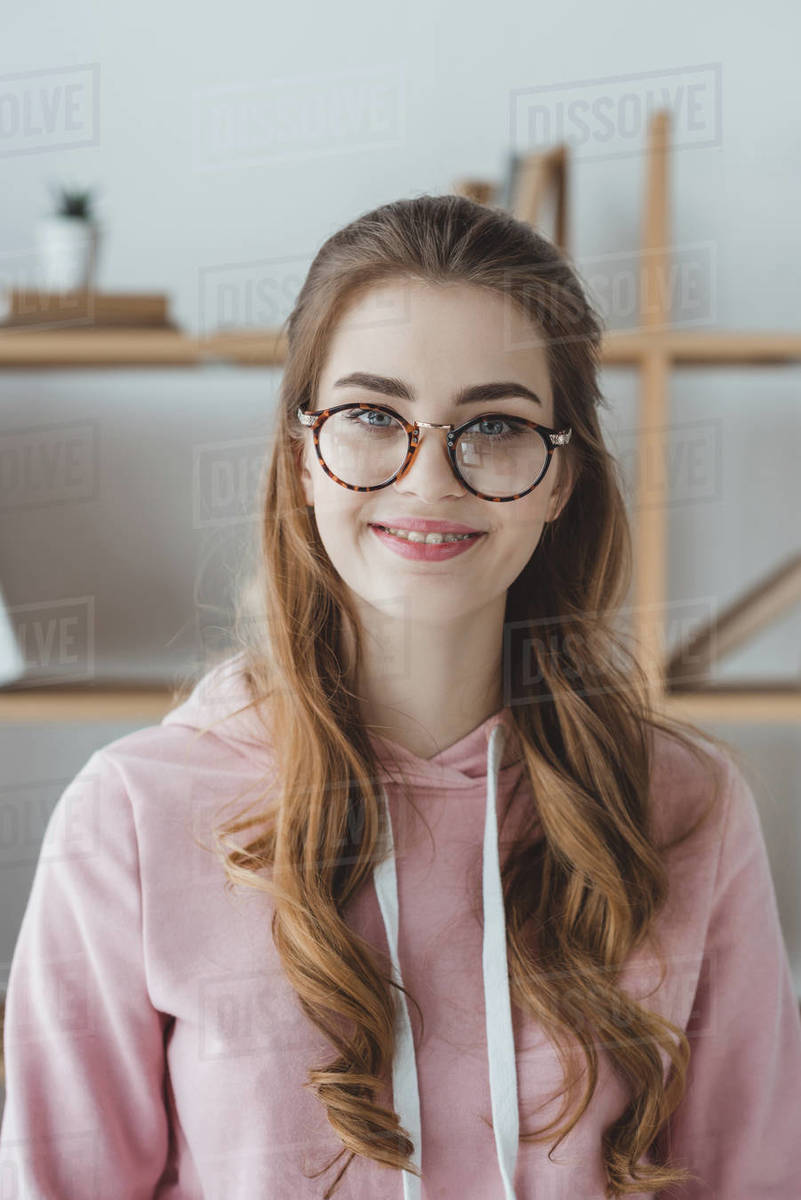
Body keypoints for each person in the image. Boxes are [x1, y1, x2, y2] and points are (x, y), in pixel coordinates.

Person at [2, 194, 800, 1199]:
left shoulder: (690, 807)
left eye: (497, 425)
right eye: (375, 416)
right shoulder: (128, 815)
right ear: (303, 454)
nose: (429, 480)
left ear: (562, 481)